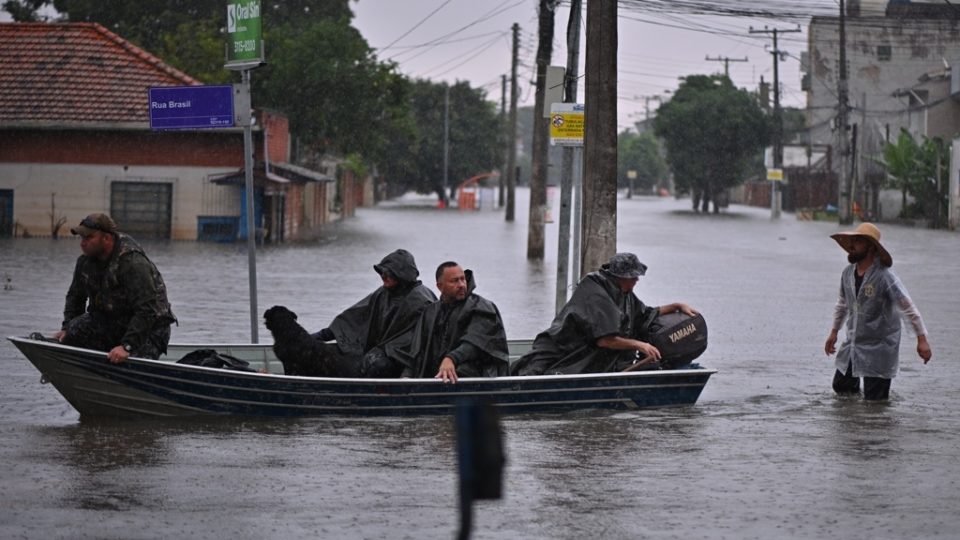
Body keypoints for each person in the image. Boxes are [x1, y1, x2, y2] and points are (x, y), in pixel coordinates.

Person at [511, 252, 697, 376]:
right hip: (564, 353)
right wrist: (640, 345)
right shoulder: (596, 294)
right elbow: (605, 340)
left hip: (589, 356)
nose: (637, 281)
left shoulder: (624, 293)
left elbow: (644, 313)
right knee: (530, 374)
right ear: (620, 278)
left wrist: (676, 306)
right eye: (633, 277)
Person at [824, 223, 932, 401]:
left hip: (880, 346)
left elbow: (908, 307)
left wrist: (922, 340)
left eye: (857, 241)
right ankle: (855, 425)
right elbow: (842, 304)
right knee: (841, 388)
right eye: (852, 241)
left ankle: (875, 426)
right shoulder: (847, 273)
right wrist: (834, 332)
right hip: (854, 343)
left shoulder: (885, 276)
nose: (852, 246)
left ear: (870, 247)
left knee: (875, 401)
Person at [52, 213, 177, 363]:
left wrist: (127, 347)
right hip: (114, 322)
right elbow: (75, 297)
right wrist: (66, 328)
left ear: (106, 238)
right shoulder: (85, 262)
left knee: (131, 364)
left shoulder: (132, 263)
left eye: (89, 238)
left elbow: (147, 309)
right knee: (73, 331)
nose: (83, 243)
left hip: (150, 328)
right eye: (82, 238)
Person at [314, 249, 437, 377]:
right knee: (328, 354)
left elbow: (419, 344)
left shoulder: (421, 301)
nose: (383, 276)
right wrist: (319, 336)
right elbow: (353, 319)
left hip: (404, 359)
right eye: (382, 272)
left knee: (376, 364)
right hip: (380, 350)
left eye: (388, 273)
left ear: (402, 274)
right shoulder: (382, 293)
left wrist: (384, 352)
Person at [397, 262, 509, 383]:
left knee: (460, 371)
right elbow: (417, 351)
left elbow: (476, 343)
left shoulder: (481, 307)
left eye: (463, 279)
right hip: (438, 375)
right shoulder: (430, 312)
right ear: (440, 286)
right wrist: (406, 376)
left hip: (476, 374)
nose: (461, 285)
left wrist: (451, 358)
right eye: (454, 281)